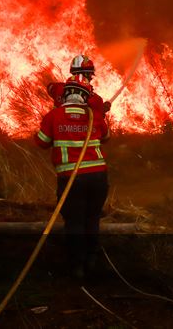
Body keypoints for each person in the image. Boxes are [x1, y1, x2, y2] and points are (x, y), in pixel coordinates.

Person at [35, 55, 111, 277]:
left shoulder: (54, 115)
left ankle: (77, 266)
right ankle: (92, 260)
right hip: (98, 177)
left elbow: (41, 142)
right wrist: (101, 113)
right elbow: (106, 137)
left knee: (74, 221)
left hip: (71, 178)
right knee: (92, 218)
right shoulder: (94, 112)